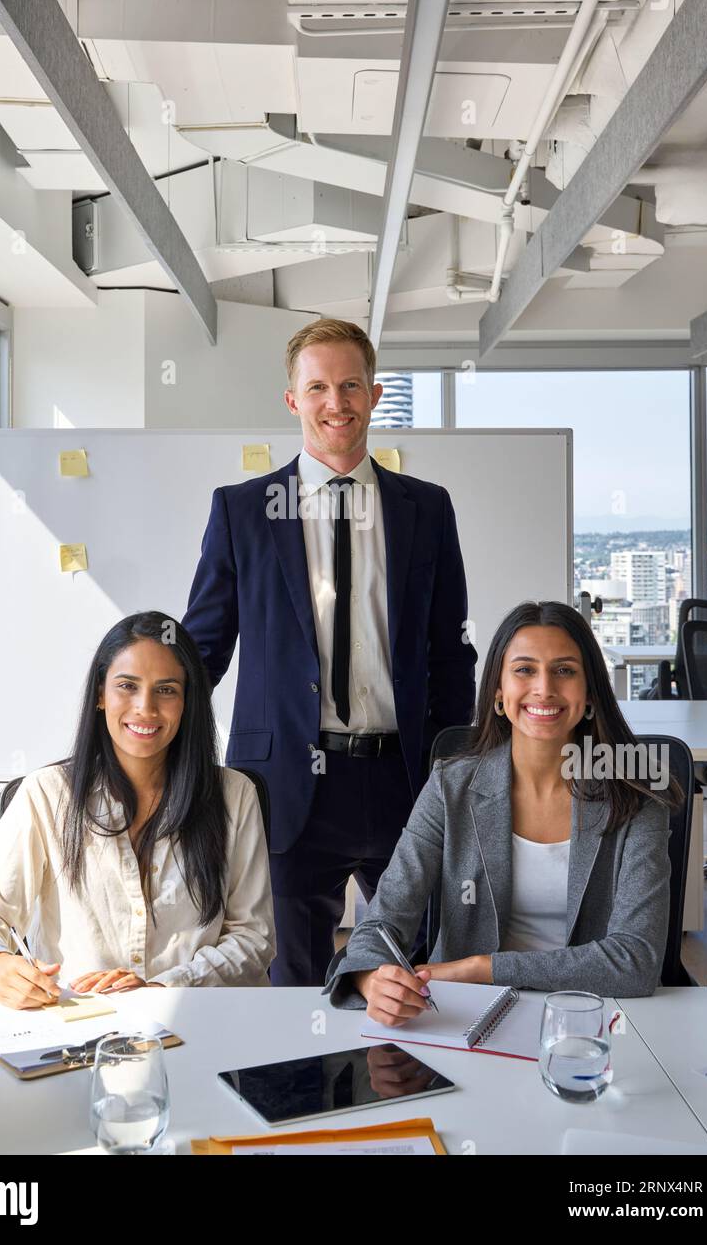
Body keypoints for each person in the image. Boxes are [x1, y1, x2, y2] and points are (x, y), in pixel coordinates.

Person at [184, 318, 476, 985]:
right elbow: (202, 649)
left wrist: (451, 769)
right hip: (283, 784)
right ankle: (301, 1090)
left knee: (422, 975)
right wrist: (154, 745)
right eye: (317, 387)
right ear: (293, 401)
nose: (335, 403)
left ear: (374, 395)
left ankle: (413, 1088)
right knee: (290, 982)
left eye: (350, 385)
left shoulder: (425, 510)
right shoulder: (243, 511)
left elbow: (450, 653)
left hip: (405, 780)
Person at [324, 600, 680, 1019]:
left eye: (564, 670)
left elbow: (634, 961)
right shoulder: (450, 787)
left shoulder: (636, 797)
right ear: (498, 691)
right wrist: (371, 980)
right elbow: (380, 926)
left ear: (589, 695)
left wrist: (485, 968)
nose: (544, 688)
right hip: (462, 1016)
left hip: (594, 1020)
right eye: (524, 670)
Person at [0, 611, 275, 1007]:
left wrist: (161, 989)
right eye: (127, 686)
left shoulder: (234, 795)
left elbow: (253, 939)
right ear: (101, 695)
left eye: (167, 690)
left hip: (196, 1024)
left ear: (188, 701)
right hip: (78, 1035)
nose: (145, 708)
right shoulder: (47, 794)